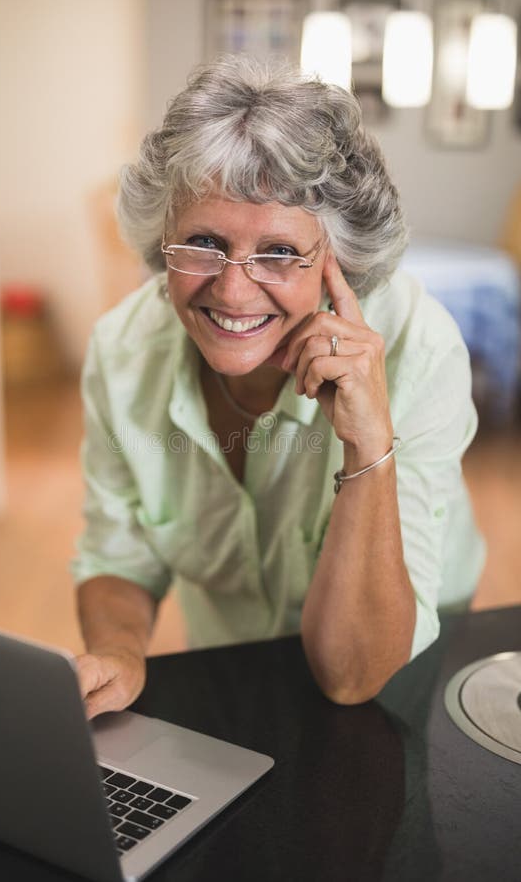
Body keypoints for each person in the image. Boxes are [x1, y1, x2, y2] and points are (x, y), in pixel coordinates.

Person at [72, 56, 485, 720]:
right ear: (162, 242)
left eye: (281, 252)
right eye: (203, 242)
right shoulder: (123, 351)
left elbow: (352, 676)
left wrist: (369, 445)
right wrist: (118, 652)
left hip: (410, 664)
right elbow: (117, 555)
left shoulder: (418, 347)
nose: (234, 291)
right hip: (236, 662)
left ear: (338, 262)